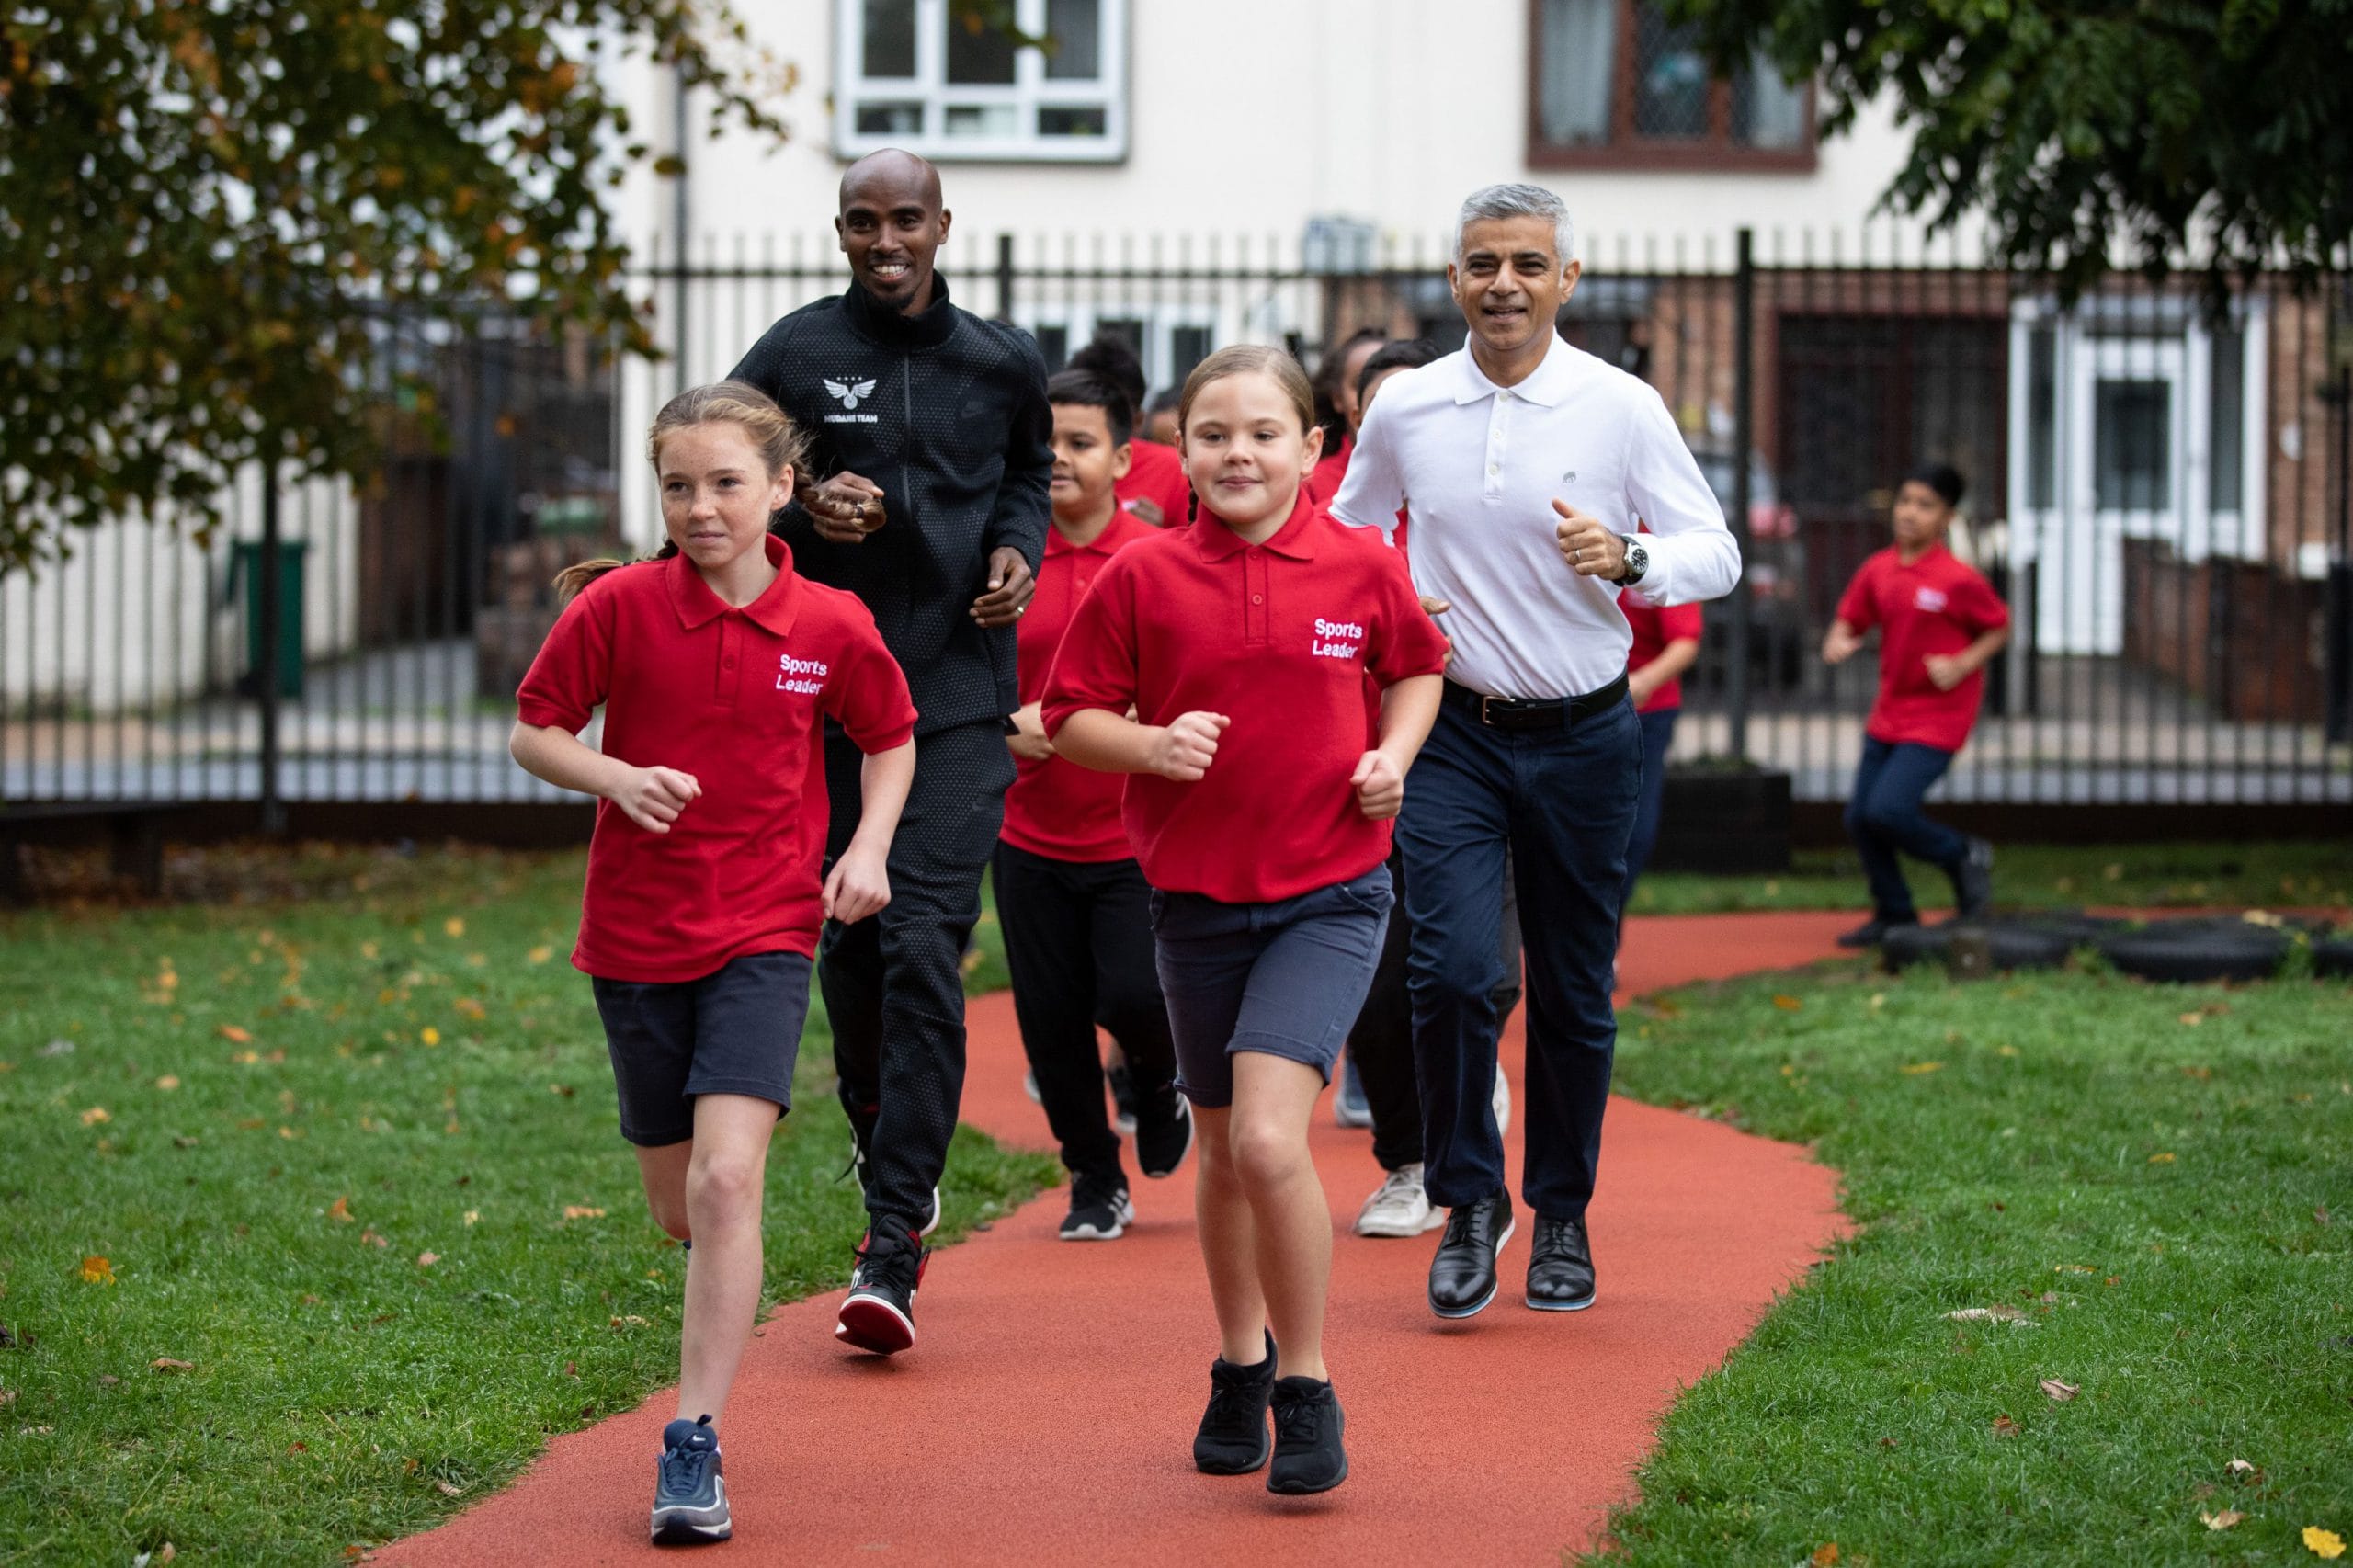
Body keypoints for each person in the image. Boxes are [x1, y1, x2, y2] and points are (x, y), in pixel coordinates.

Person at [510, 383, 919, 1544]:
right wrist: (616, 777)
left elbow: (890, 737)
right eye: (679, 485)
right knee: (680, 1200)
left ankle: (692, 1436)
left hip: (765, 929)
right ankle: (715, 1255)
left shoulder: (831, 621)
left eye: (726, 483)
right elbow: (535, 730)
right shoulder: (619, 608)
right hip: (635, 935)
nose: (701, 507)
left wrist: (868, 847)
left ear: (782, 487)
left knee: (728, 1181)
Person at [1044, 346, 1448, 1494]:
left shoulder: (1361, 564)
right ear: (1179, 450)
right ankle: (1238, 1359)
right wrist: (1150, 744)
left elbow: (1416, 668)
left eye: (1264, 433)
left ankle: (1305, 1381)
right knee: (1221, 1149)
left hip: (1330, 892)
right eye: (1212, 433)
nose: (1237, 453)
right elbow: (1069, 715)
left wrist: (1392, 754)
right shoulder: (1145, 574)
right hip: (1195, 901)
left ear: (1312, 447)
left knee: (1270, 1140)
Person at [1333, 183, 1739, 1320]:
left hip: (1585, 736)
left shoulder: (1620, 406)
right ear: (1453, 279)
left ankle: (1560, 1209)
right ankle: (1470, 1200)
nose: (1502, 284)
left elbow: (1715, 552)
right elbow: (1350, 533)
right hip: (1454, 733)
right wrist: (1392, 594)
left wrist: (1631, 558)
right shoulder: (1408, 407)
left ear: (1567, 279)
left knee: (1570, 987)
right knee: (1453, 973)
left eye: (1525, 263)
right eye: (1482, 264)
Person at [727, 149, 1051, 1355]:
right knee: (851, 939)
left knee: (920, 936)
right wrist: (806, 503)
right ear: (840, 232)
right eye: (862, 222)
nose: (885, 241)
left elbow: (1027, 472)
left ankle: (894, 1236)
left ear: (941, 226)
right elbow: (730, 471)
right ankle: (877, 1119)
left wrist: (1018, 548)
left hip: (959, 692)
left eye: (904, 219)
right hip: (829, 701)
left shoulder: (1002, 360)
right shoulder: (794, 352)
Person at [1329, 337, 1521, 1242]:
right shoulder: (1322, 512)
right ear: (1355, 416)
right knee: (1375, 986)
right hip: (1349, 775)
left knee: (1476, 975)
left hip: (1470, 759)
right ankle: (1410, 1162)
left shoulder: (1480, 498)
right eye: (1384, 406)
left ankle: (1467, 1082)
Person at [998, 369, 1194, 1240]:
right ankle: (1093, 1175)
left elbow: (1191, 675)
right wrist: (1006, 723)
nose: (1058, 459)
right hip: (1027, 832)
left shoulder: (1157, 558)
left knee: (1138, 996)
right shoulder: (1005, 563)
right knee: (1051, 1019)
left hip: (1133, 836)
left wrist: (1122, 725)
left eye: (1080, 443)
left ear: (1123, 459)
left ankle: (1157, 1085)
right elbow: (964, 678)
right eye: (1046, 443)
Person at [1821, 463, 2008, 947]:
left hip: (1939, 719)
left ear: (1947, 518)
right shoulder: (1878, 569)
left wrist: (1962, 664)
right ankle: (1895, 913)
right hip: (1890, 713)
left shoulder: (1958, 579)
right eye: (1905, 501)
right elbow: (1850, 619)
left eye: (1925, 506)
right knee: (1860, 818)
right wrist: (1839, 639)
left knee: (1888, 811)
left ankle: (1963, 854)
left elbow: (1998, 627)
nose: (1909, 512)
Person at [1617, 575, 1703, 926]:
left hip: (1646, 710)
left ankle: (1608, 922)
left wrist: (1644, 681)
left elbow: (1685, 642)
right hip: (1580, 704)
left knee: (1634, 822)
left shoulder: (1659, 555)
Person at [1068, 331, 1192, 528]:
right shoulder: (1046, 466)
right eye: (1086, 408)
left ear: (1138, 420)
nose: (1100, 422)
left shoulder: (1176, 470)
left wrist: (1158, 535)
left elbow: (1197, 542)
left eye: (1115, 414)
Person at [1306, 329, 1388, 507]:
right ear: (1337, 398)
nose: (1376, 395)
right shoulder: (1312, 483)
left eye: (1389, 382)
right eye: (1361, 383)